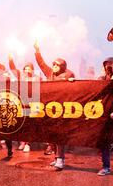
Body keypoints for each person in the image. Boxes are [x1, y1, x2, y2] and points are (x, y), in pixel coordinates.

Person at [33, 41, 75, 170]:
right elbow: (41, 64)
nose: (54, 66)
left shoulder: (68, 74)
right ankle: (56, 158)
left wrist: (71, 82)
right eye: (53, 64)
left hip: (62, 109)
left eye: (57, 65)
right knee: (52, 135)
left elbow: (74, 89)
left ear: (62, 66)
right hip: (50, 108)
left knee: (60, 136)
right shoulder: (50, 73)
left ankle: (61, 159)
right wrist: (37, 51)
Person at [8, 53, 39, 153]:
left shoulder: (37, 78)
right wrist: (10, 60)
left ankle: (28, 144)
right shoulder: (21, 76)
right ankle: (22, 142)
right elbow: (13, 69)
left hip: (33, 103)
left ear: (32, 69)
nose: (27, 70)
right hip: (22, 102)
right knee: (22, 123)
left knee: (29, 124)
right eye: (25, 68)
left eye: (29, 68)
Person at [96, 57, 113, 176]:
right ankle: (106, 166)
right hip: (104, 114)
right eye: (106, 65)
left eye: (110, 65)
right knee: (104, 141)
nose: (108, 67)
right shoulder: (102, 78)